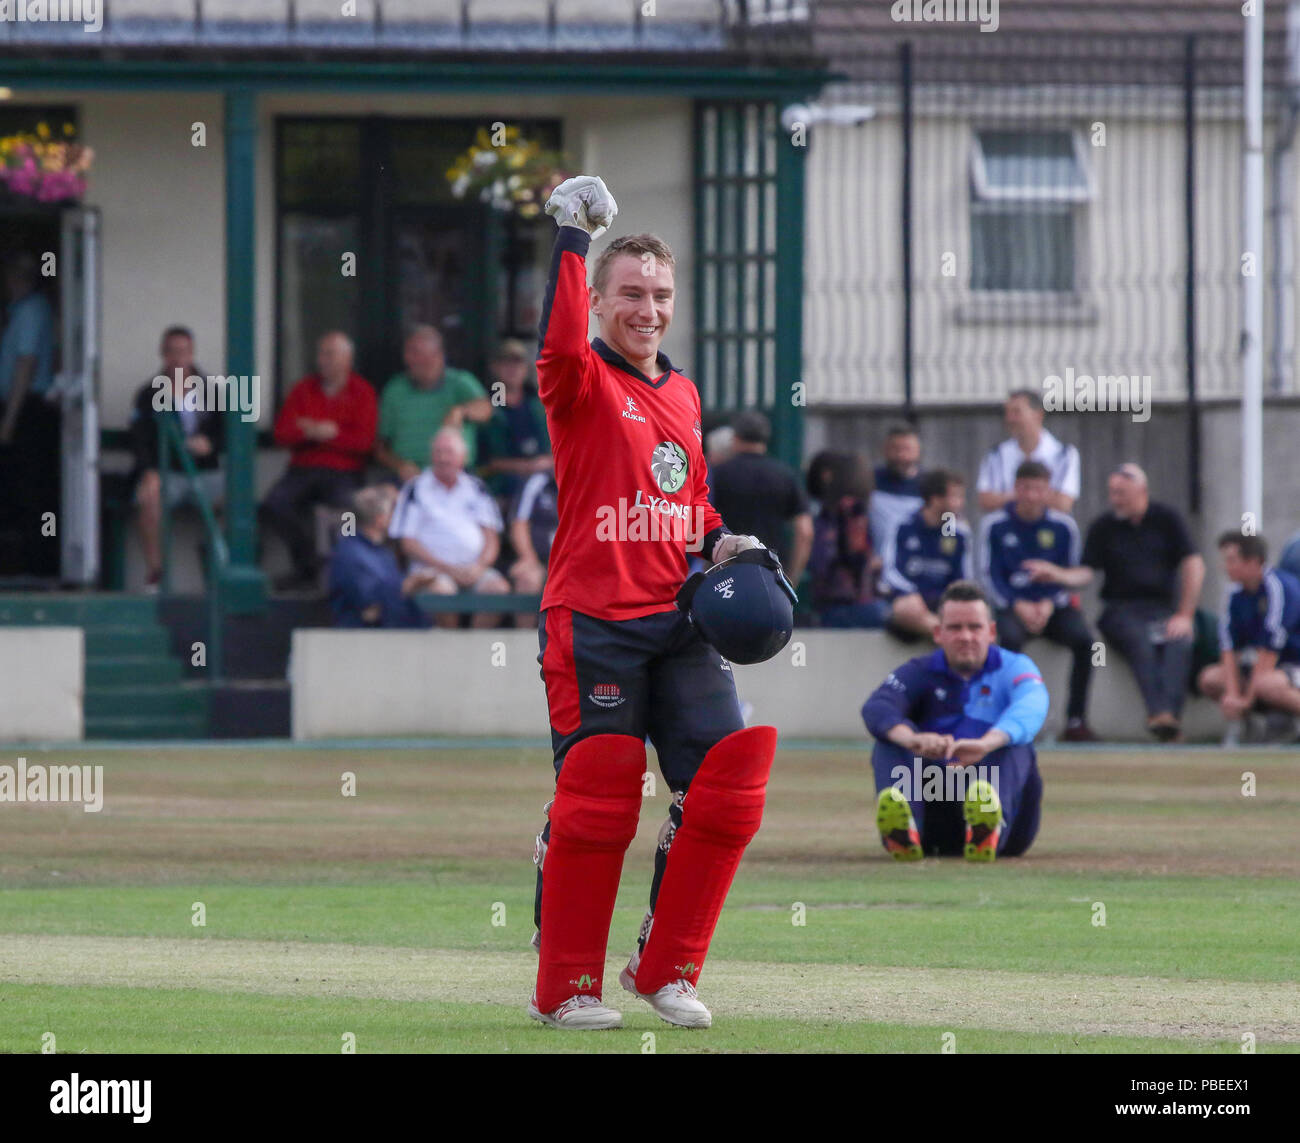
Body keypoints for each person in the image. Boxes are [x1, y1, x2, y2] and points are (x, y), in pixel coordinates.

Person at [527, 174, 774, 1032]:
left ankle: (666, 967)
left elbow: (691, 497)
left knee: (726, 787)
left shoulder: (683, 391)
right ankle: (566, 988)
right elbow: (554, 352)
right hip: (593, 620)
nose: (648, 308)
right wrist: (568, 236)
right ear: (599, 302)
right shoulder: (581, 377)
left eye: (660, 294)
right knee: (599, 799)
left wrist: (720, 543)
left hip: (680, 618)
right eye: (630, 293)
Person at [861, 581, 1047, 861]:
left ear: (992, 632)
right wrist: (912, 739)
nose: (966, 636)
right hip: (936, 802)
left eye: (975, 627)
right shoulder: (919, 671)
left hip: (1000, 795)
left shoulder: (1015, 667)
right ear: (938, 633)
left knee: (1017, 744)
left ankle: (990, 830)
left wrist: (985, 744)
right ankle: (904, 831)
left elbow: (1032, 707)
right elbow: (877, 707)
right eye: (955, 628)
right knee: (889, 741)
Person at [1027, 463, 1204, 742]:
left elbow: (1193, 563)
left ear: (1141, 491)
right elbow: (1086, 572)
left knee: (1178, 642)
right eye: (1112, 492)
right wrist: (1057, 574)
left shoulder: (1167, 519)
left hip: (1162, 609)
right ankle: (1159, 714)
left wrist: (1185, 614)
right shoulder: (1104, 526)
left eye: (1121, 493)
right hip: (1120, 610)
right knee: (1139, 640)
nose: (1115, 499)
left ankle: (1170, 719)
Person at [980, 460, 1098, 742]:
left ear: (1048, 492)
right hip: (1012, 605)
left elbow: (1071, 573)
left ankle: (1076, 720)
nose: (1031, 495)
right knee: (1006, 640)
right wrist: (1015, 603)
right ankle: (1009, 719)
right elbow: (987, 574)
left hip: (1053, 606)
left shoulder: (1064, 526)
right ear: (1015, 489)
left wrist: (1050, 602)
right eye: (1026, 488)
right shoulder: (994, 525)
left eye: (1038, 489)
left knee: (1089, 644)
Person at [263, 332, 378, 590]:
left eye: (329, 354)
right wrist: (312, 432)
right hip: (303, 469)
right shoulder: (303, 389)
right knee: (276, 505)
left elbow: (364, 443)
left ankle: (346, 570)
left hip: (344, 471)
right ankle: (308, 565)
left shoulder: (362, 391)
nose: (322, 360)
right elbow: (282, 434)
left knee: (348, 511)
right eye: (320, 354)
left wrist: (329, 433)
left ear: (347, 359)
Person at [126, 326, 225, 589]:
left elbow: (226, 433)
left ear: (192, 354)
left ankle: (217, 573)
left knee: (232, 503)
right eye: (172, 352)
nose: (178, 358)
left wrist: (210, 444)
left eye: (184, 352)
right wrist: (149, 472)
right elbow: (139, 439)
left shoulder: (212, 390)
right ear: (162, 354)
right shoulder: (148, 394)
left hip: (205, 471)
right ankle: (156, 575)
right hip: (166, 471)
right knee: (149, 498)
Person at [388, 428, 509, 630]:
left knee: (498, 589)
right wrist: (447, 568)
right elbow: (407, 543)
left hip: (473, 569)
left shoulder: (477, 488)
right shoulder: (415, 488)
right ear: (431, 456)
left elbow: (491, 538)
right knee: (442, 593)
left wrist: (479, 566)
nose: (443, 458)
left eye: (449, 452)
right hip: (432, 570)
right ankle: (451, 649)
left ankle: (476, 649)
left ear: (463, 457)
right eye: (438, 452)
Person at [1197, 531, 1300, 735]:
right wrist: (1233, 696)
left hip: (1291, 665)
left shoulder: (1280, 588)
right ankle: (1252, 728)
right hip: (1261, 670)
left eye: (1232, 560)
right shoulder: (1234, 593)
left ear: (1253, 562)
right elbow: (1228, 648)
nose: (1225, 567)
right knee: (1210, 678)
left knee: (1266, 684)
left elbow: (1269, 651)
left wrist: (1246, 700)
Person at [0, 250, 59, 577]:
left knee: (32, 491)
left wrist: (9, 420)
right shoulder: (19, 310)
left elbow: (26, 363)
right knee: (20, 488)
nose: (9, 281)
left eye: (13, 274)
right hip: (23, 406)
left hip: (28, 410)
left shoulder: (31, 310)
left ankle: (37, 565)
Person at [708, 409, 813, 587]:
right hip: (771, 575)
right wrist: (791, 579)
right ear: (766, 438)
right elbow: (805, 531)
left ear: (735, 437)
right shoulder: (785, 475)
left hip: (728, 577)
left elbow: (705, 525)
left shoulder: (718, 475)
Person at [375, 325, 491, 483]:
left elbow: (486, 410)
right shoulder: (395, 389)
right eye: (409, 353)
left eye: (418, 353)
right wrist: (400, 466)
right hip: (407, 477)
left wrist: (460, 410)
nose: (412, 359)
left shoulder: (460, 381)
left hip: (455, 473)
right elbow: (380, 448)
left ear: (439, 356)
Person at [881, 468, 973, 640]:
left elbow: (963, 577)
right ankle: (949, 638)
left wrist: (954, 598)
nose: (961, 503)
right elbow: (890, 571)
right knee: (905, 609)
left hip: (943, 601)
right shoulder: (904, 525)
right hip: (910, 598)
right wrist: (911, 593)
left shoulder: (957, 530)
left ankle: (945, 636)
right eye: (955, 497)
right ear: (935, 499)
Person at [327, 485, 433, 629]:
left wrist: (413, 584)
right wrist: (406, 586)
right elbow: (368, 605)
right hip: (361, 638)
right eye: (393, 512)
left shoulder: (383, 552)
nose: (397, 518)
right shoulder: (349, 553)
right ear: (380, 520)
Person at [807, 451, 890, 628]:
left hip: (829, 600)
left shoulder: (828, 511)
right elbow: (857, 555)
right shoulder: (855, 511)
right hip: (853, 601)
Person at [976, 388, 1080, 514]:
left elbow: (1063, 504)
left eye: (1016, 412)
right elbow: (985, 501)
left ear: (1038, 415)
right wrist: (1040, 495)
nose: (1010, 419)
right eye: (1007, 413)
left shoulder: (1064, 454)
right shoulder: (996, 455)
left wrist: (1009, 496)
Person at [476, 338, 552, 502]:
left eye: (517, 363)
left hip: (542, 478)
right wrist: (526, 467)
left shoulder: (536, 403)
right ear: (494, 367)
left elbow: (558, 450)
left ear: (526, 368)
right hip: (503, 486)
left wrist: (545, 462)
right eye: (505, 363)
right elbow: (488, 460)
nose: (512, 369)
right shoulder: (491, 404)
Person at [506, 469, 558, 627]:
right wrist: (529, 558)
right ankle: (522, 640)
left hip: (573, 563)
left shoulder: (588, 481)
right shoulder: (537, 482)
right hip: (539, 560)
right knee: (527, 578)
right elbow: (519, 524)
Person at [868, 422, 924, 555]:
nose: (901, 456)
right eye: (895, 449)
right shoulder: (869, 482)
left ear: (918, 452)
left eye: (907, 449)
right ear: (885, 450)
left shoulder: (930, 486)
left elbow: (949, 515)